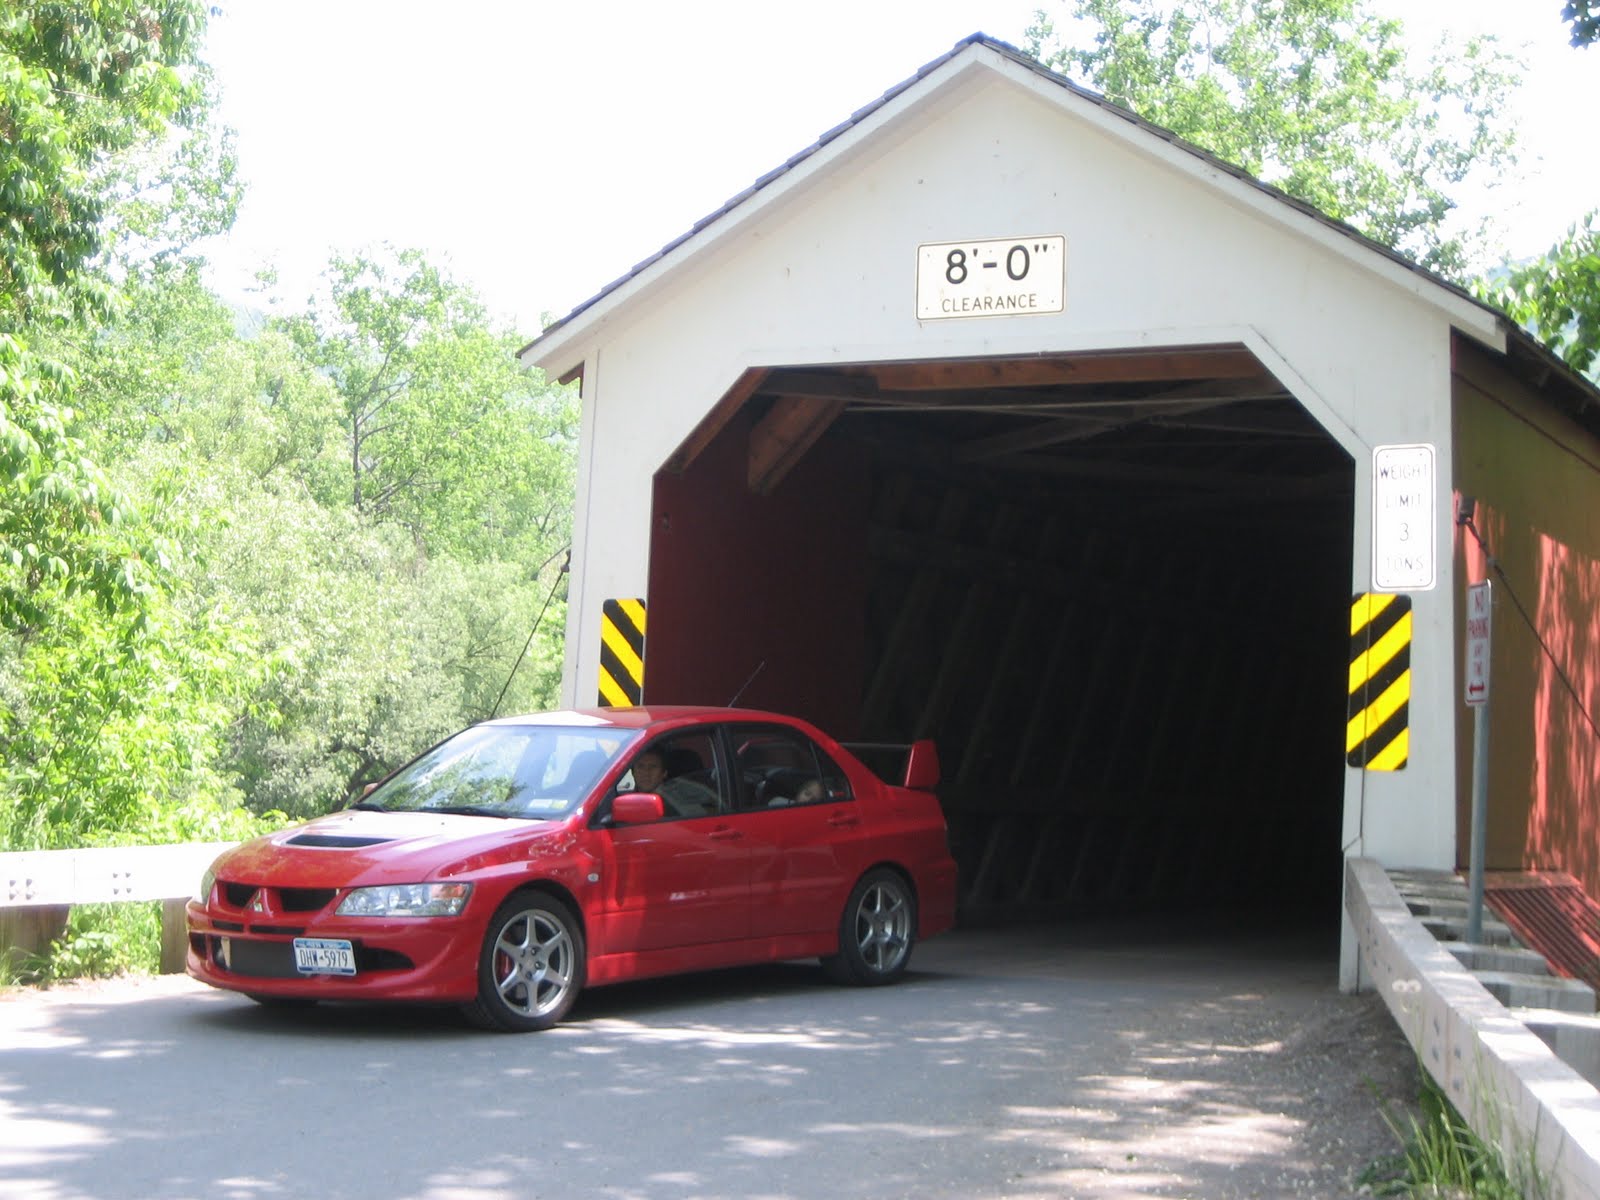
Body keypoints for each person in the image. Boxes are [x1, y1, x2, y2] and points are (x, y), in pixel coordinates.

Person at [627, 748, 720, 817]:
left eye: (653, 767)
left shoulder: (678, 800)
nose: (646, 772)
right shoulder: (623, 801)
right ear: (633, 772)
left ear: (664, 773)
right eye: (641, 766)